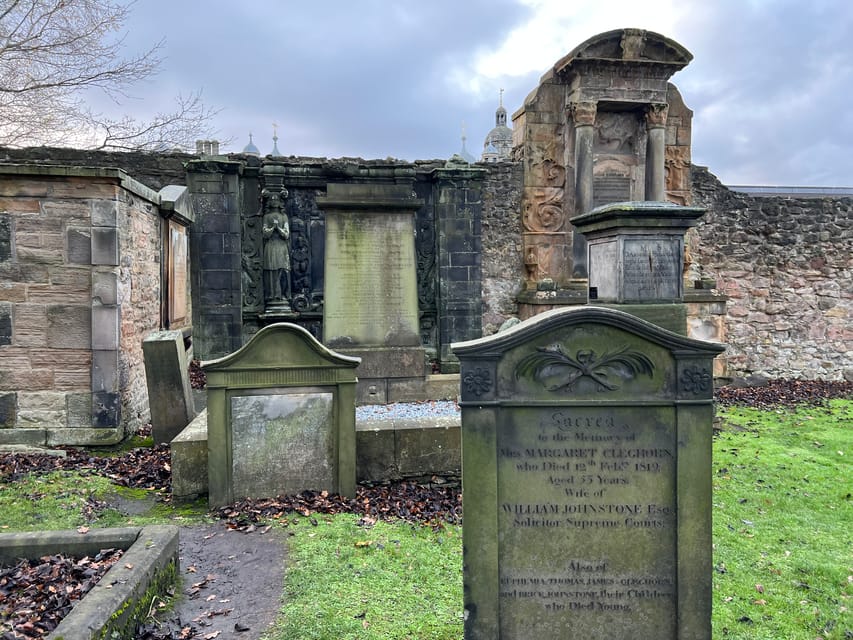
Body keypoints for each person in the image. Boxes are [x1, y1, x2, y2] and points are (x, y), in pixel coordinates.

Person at [262, 192, 291, 302]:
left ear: (280, 203)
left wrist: (278, 228)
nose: (274, 202)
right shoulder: (267, 216)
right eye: (272, 200)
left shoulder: (284, 216)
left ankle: (283, 294)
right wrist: (272, 228)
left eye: (277, 200)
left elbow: (286, 234)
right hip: (271, 246)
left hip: (281, 246)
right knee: (271, 271)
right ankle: (272, 295)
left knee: (283, 270)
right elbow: (265, 233)